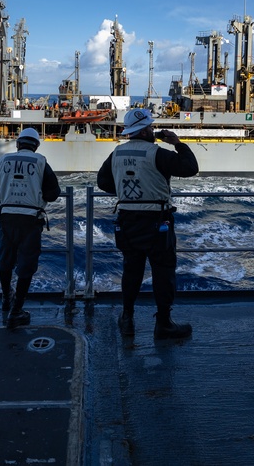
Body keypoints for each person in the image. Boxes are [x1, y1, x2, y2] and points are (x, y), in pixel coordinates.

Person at [97, 108, 199, 340]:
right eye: (151, 127)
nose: (154, 130)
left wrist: (125, 192)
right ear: (144, 130)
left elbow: (102, 181)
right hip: (157, 222)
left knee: (131, 272)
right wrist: (177, 143)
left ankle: (127, 319)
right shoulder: (157, 153)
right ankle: (163, 324)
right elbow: (190, 168)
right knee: (163, 273)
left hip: (127, 221)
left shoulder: (116, 153)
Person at [0, 128, 60, 329]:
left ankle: (6, 299)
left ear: (18, 144)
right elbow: (53, 194)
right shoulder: (41, 162)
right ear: (36, 146)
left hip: (7, 218)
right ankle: (17, 310)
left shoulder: (2, 161)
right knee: (26, 264)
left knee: (5, 260)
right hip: (31, 220)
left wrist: (6, 196)